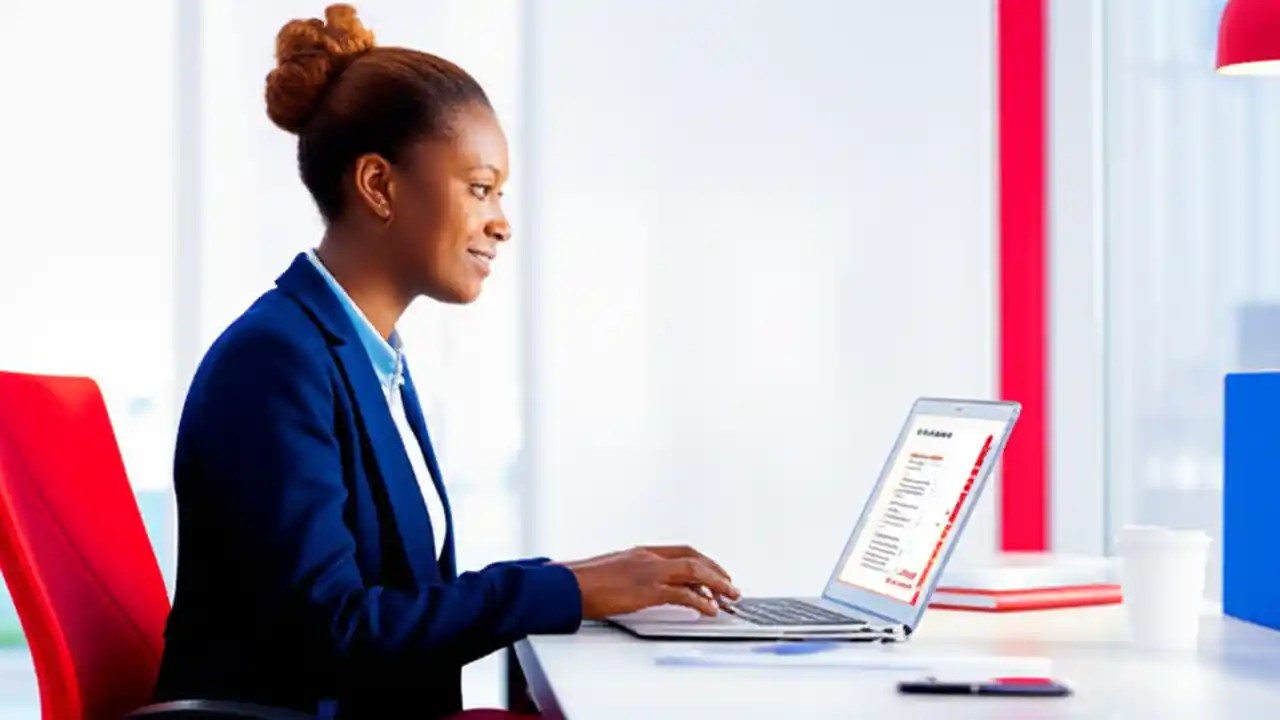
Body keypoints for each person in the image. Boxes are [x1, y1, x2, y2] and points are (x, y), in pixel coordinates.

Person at [153, 4, 739, 718]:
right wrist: (567, 590)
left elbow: (390, 599)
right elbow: (330, 631)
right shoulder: (276, 360)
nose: (501, 220)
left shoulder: (367, 357)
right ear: (378, 185)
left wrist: (578, 577)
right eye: (480, 187)